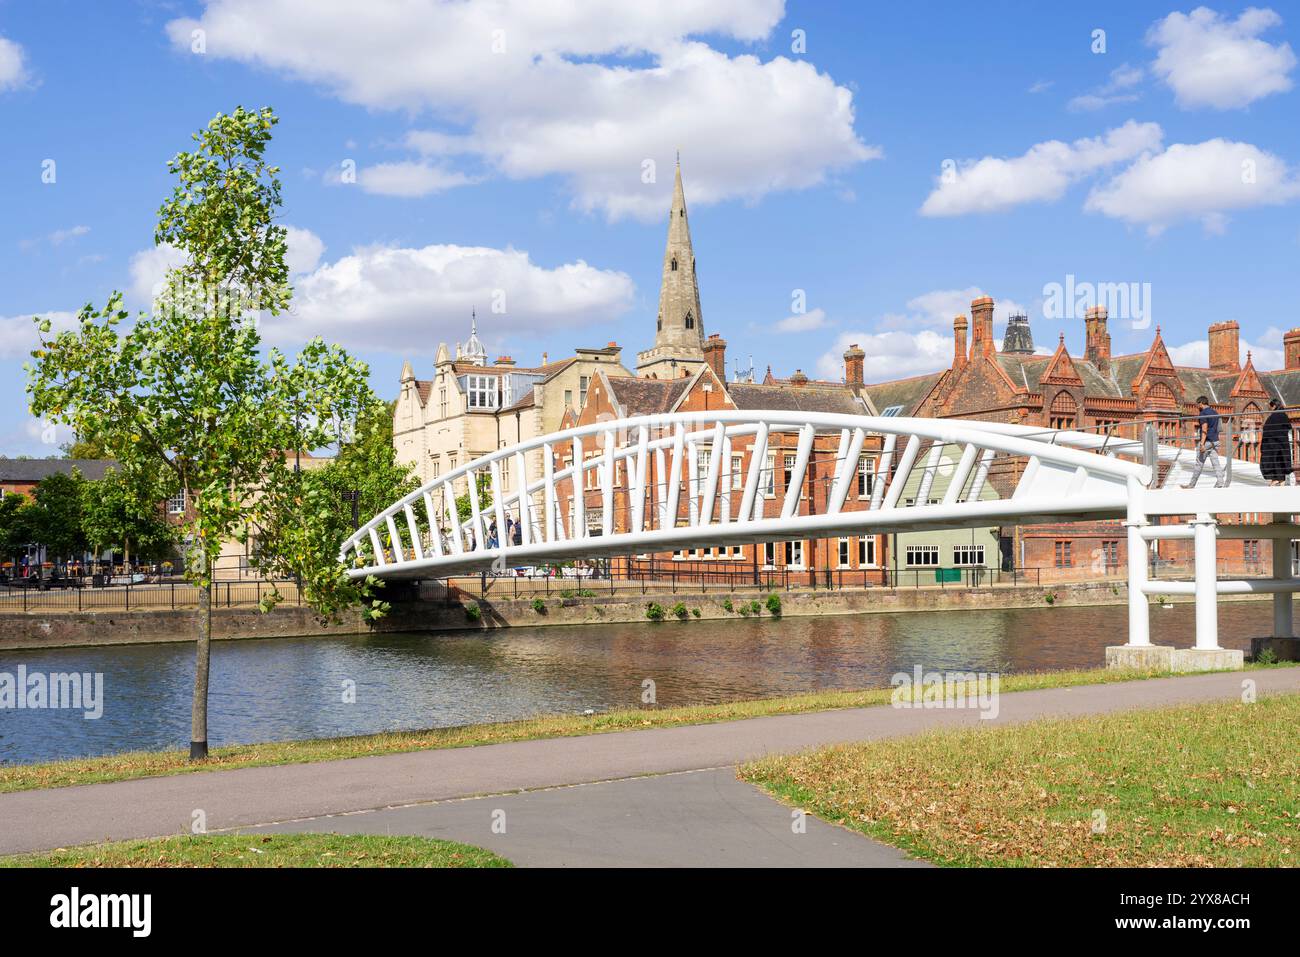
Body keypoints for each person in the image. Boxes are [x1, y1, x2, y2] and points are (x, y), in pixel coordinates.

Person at [1183, 395, 1226, 488]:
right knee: (1215, 463)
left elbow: (1204, 429)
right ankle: (1220, 482)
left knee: (1199, 463)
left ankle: (1191, 485)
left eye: (1197, 405)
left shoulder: (1203, 414)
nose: (1197, 407)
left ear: (1201, 403)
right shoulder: (1215, 412)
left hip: (1206, 442)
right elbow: (1219, 428)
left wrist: (1202, 444)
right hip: (1215, 441)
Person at [1261, 398, 1293, 485]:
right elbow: (1288, 427)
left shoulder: (1275, 416)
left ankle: (1277, 479)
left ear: (1274, 406)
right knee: (1280, 460)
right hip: (1282, 443)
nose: (1270, 409)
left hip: (1273, 443)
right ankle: (1279, 479)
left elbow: (1268, 429)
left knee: (1274, 460)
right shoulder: (1283, 415)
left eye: (1270, 407)